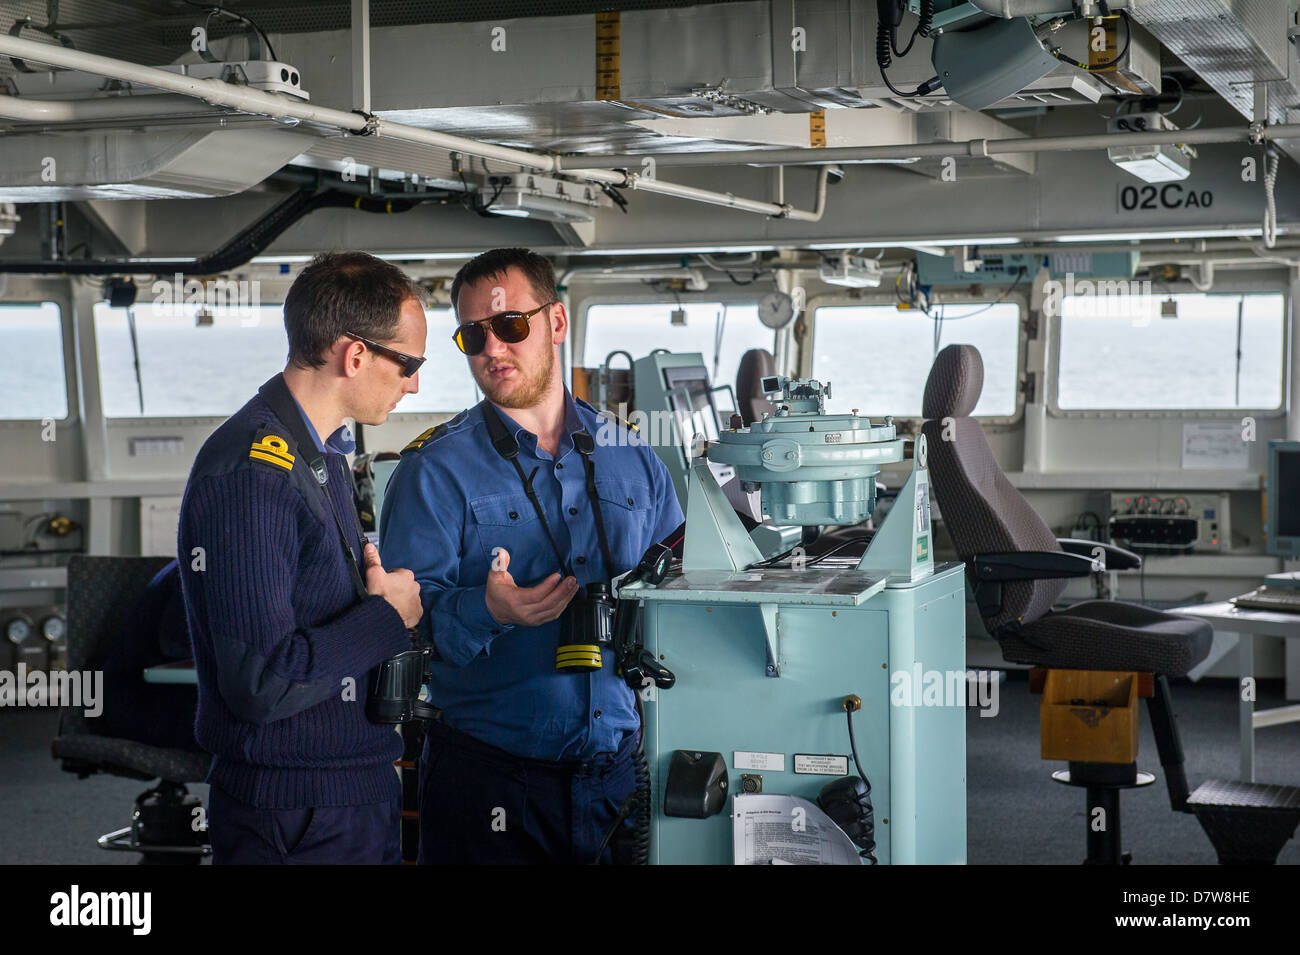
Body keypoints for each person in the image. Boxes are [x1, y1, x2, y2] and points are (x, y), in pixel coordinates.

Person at [380, 247, 684, 864]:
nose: (492, 348)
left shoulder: (633, 454)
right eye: (473, 335)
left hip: (619, 776)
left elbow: (680, 585)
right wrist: (487, 610)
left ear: (557, 321)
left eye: (511, 325)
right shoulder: (432, 471)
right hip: (487, 779)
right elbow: (398, 629)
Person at [177, 251, 426, 864]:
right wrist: (387, 617)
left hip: (347, 791)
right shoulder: (254, 472)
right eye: (409, 364)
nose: (414, 384)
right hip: (297, 813)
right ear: (355, 355)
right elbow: (263, 682)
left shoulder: (319, 455)